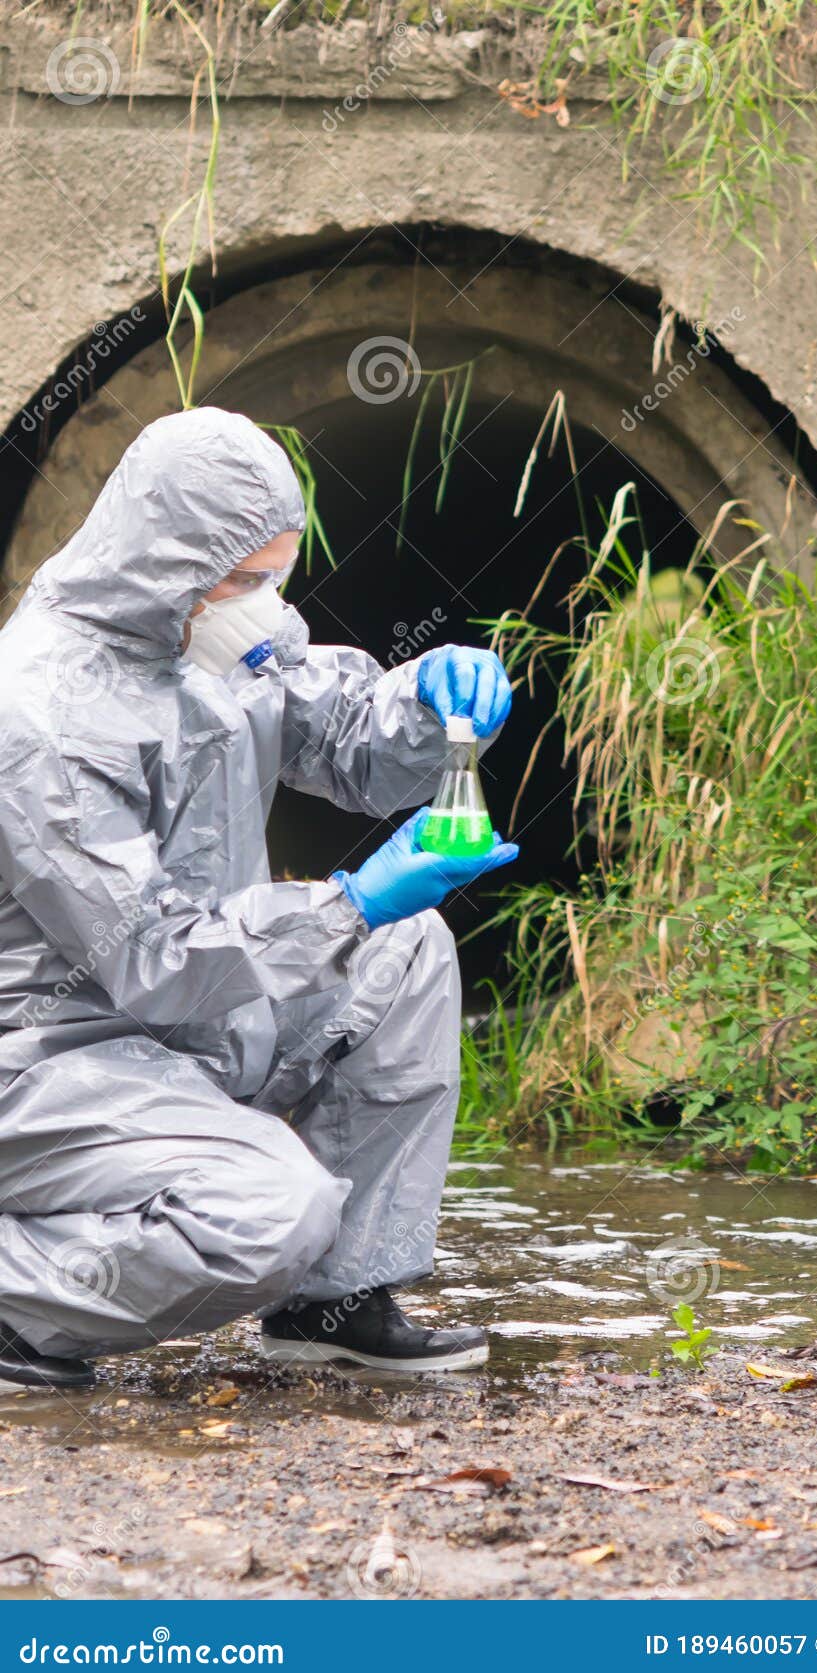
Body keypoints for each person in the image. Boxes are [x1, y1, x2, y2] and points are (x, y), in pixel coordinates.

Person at [0, 407, 518, 1392]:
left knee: (406, 949)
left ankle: (333, 1297)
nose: (264, 603)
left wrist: (430, 701)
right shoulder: (40, 713)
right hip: (46, 1061)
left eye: (276, 575)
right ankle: (21, 1301)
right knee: (271, 1209)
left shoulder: (215, 632)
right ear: (164, 562)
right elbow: (150, 958)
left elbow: (352, 743)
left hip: (185, 1024)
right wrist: (346, 901)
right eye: (244, 581)